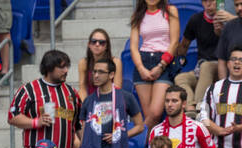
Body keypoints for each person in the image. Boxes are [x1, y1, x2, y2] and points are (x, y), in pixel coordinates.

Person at [7, 49, 82, 148]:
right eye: (61, 67)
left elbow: (78, 125)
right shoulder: (28, 89)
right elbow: (12, 117)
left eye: (67, 66)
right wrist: (36, 122)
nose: (66, 70)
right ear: (48, 68)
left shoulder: (72, 92)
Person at [79, 57, 145, 148]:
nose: (96, 75)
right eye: (94, 72)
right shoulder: (88, 100)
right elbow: (82, 127)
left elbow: (140, 126)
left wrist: (120, 135)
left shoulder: (126, 97)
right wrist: (85, 146)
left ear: (111, 75)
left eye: (101, 72)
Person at [148, 85, 219, 148]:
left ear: (184, 104)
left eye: (174, 101)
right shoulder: (156, 131)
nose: (169, 104)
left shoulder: (197, 127)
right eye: (167, 101)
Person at [129, 0, 180, 129]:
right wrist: (141, 68)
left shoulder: (170, 10)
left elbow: (174, 43)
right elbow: (134, 47)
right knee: (150, 117)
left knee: (155, 113)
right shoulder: (137, 15)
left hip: (164, 61)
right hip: (143, 61)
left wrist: (161, 65)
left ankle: (134, 138)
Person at [175, 0, 221, 111]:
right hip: (201, 69)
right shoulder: (196, 19)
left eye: (212, 0)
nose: (209, 4)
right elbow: (184, 45)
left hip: (221, 67)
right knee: (180, 78)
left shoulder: (228, 20)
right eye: (205, 1)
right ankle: (190, 107)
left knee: (206, 66)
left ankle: (199, 109)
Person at [79, 28, 124, 98]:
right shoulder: (83, 63)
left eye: (101, 42)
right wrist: (85, 105)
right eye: (94, 41)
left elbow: (117, 87)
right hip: (91, 102)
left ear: (106, 46)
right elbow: (82, 89)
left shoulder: (115, 62)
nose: (97, 44)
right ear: (89, 44)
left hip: (110, 101)